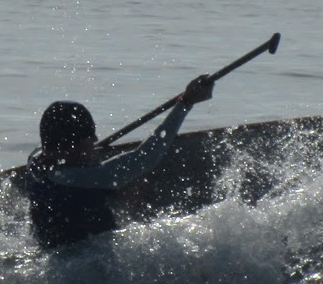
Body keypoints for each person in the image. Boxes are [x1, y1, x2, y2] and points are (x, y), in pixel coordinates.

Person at [24, 74, 215, 249]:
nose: (95, 142)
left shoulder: (36, 163)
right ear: (67, 147)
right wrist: (185, 103)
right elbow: (144, 158)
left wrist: (114, 192)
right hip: (86, 265)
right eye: (89, 139)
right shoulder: (70, 177)